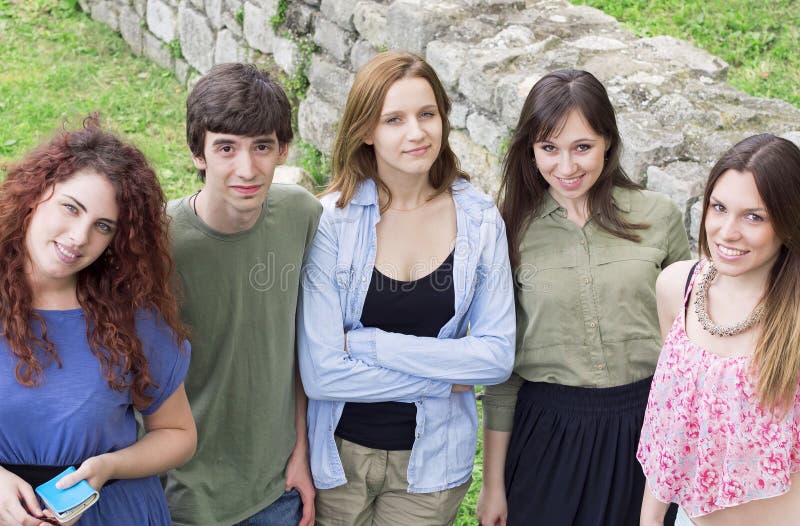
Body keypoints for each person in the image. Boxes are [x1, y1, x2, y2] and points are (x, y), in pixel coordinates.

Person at [297, 50, 516, 525]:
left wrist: (367, 344)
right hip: (338, 461)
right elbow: (321, 375)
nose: (416, 133)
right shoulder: (332, 222)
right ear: (365, 131)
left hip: (433, 468)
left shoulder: (479, 221)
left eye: (427, 114)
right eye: (393, 119)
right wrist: (448, 378)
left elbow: (496, 358)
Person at [478, 69, 690, 526]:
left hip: (648, 426)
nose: (566, 167)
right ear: (530, 149)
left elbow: (690, 342)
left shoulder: (659, 216)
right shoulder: (508, 230)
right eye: (548, 148)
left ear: (608, 142)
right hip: (548, 431)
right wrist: (493, 485)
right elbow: (503, 372)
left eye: (582, 147)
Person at [0, 116, 196, 526]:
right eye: (70, 208)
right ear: (36, 194)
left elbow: (178, 435)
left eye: (102, 226)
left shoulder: (131, 319)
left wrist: (110, 467)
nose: (78, 237)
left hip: (111, 512)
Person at [164, 63, 322, 526]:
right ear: (198, 153)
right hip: (183, 497)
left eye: (262, 147)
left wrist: (300, 453)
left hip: (278, 488)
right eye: (226, 148)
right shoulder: (158, 243)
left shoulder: (301, 215)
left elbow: (304, 346)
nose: (247, 168)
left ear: (283, 150)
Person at [638, 134, 800, 526]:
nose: (727, 231)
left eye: (754, 216)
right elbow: (673, 418)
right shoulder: (677, 286)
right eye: (719, 207)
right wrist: (650, 518)